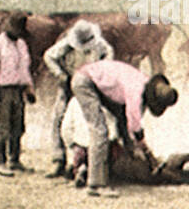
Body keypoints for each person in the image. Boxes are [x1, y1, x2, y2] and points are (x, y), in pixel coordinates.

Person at [70, 59, 178, 198]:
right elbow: (134, 124)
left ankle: (126, 156)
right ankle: (96, 185)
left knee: (120, 118)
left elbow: (124, 119)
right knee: (100, 131)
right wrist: (143, 146)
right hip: (85, 83)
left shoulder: (143, 82)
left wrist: (131, 145)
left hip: (97, 81)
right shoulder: (136, 91)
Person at [42, 19, 112, 177]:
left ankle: (86, 160)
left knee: (92, 121)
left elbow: (109, 54)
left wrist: (102, 71)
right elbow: (49, 56)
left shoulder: (100, 45)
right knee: (59, 118)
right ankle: (58, 160)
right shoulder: (66, 44)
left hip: (89, 86)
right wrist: (60, 74)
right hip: (68, 83)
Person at [0, 10, 36, 176]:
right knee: (2, 127)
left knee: (18, 126)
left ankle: (15, 160)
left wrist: (29, 89)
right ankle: (1, 162)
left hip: (18, 90)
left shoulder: (21, 45)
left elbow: (24, 69)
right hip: (3, 91)